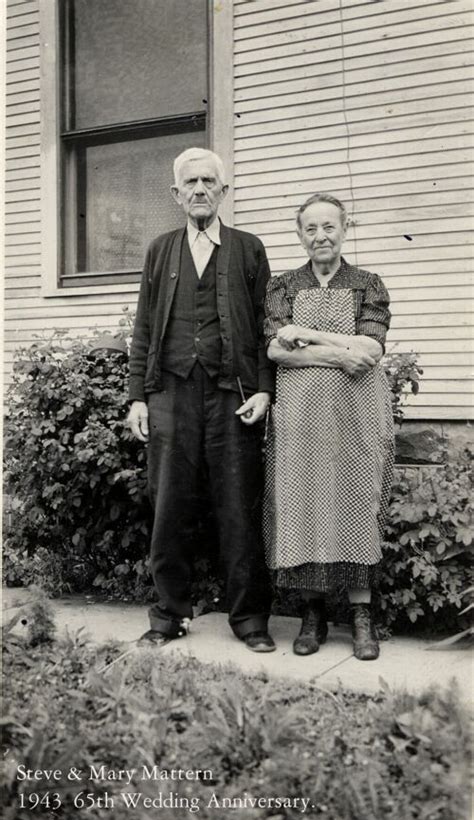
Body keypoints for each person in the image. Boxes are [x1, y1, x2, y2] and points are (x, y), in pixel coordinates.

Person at [126, 148, 275, 652]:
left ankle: (250, 619)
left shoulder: (248, 249)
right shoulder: (160, 250)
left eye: (209, 181)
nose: (199, 190)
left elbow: (263, 329)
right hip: (170, 392)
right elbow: (143, 328)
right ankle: (168, 616)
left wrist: (262, 388)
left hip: (231, 396)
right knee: (169, 506)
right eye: (189, 182)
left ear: (224, 191)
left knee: (238, 508)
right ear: (175, 193)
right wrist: (138, 398)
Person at [263, 192, 394, 660]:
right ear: (300, 235)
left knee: (356, 502)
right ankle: (312, 615)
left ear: (345, 228)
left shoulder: (368, 284)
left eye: (329, 227)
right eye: (311, 229)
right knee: (305, 505)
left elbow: (372, 351)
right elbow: (276, 350)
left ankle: (361, 616)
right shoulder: (283, 287)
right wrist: (344, 352)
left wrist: (311, 336)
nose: (321, 236)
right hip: (300, 418)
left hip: (355, 414)